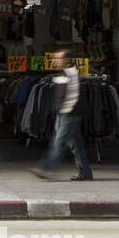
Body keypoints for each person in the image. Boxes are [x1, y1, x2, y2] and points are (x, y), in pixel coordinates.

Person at [29, 50, 93, 181]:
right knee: (77, 145)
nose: (56, 61)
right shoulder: (63, 74)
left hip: (70, 114)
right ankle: (85, 172)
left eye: (59, 58)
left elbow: (74, 95)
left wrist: (65, 110)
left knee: (59, 142)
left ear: (67, 60)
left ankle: (46, 169)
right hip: (66, 113)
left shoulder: (72, 74)